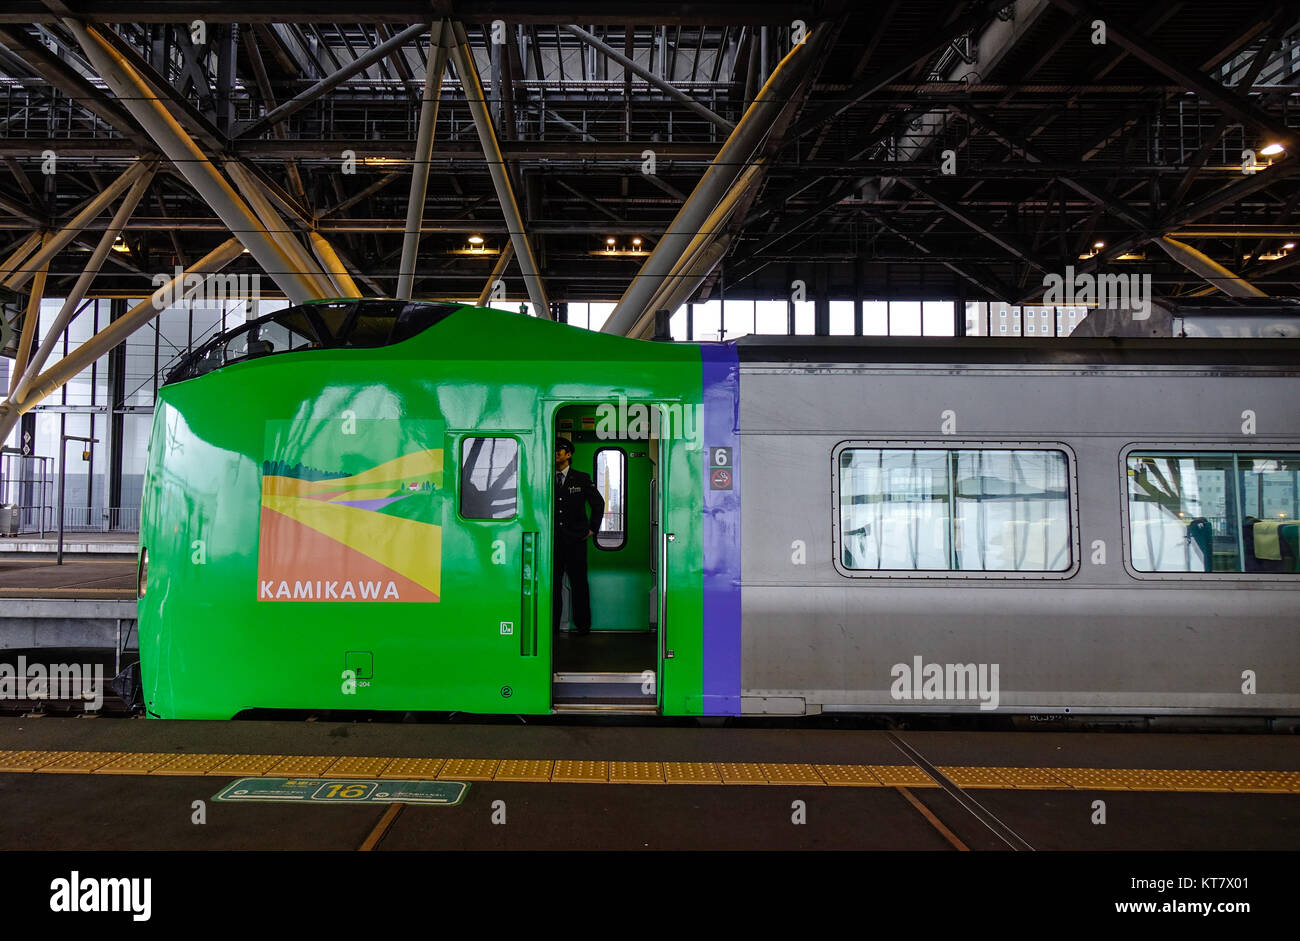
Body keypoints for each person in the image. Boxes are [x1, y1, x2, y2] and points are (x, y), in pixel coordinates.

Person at [553, 437, 604, 635]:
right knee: (554, 584)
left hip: (576, 541)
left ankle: (583, 626)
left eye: (561, 449)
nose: (557, 452)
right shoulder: (547, 477)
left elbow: (598, 504)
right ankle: (553, 625)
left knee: (579, 583)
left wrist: (592, 529)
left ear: (569, 454)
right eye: (555, 449)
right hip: (554, 541)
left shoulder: (582, 478)